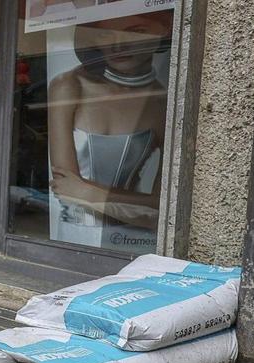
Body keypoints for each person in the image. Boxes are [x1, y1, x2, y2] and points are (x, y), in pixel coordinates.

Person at [46, 13, 171, 251]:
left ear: (165, 30)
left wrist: (85, 191)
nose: (117, 45)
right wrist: (140, 206)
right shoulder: (68, 86)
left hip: (135, 240)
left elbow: (162, 211)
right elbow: (65, 189)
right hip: (76, 236)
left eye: (136, 31)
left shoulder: (164, 103)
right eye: (105, 34)